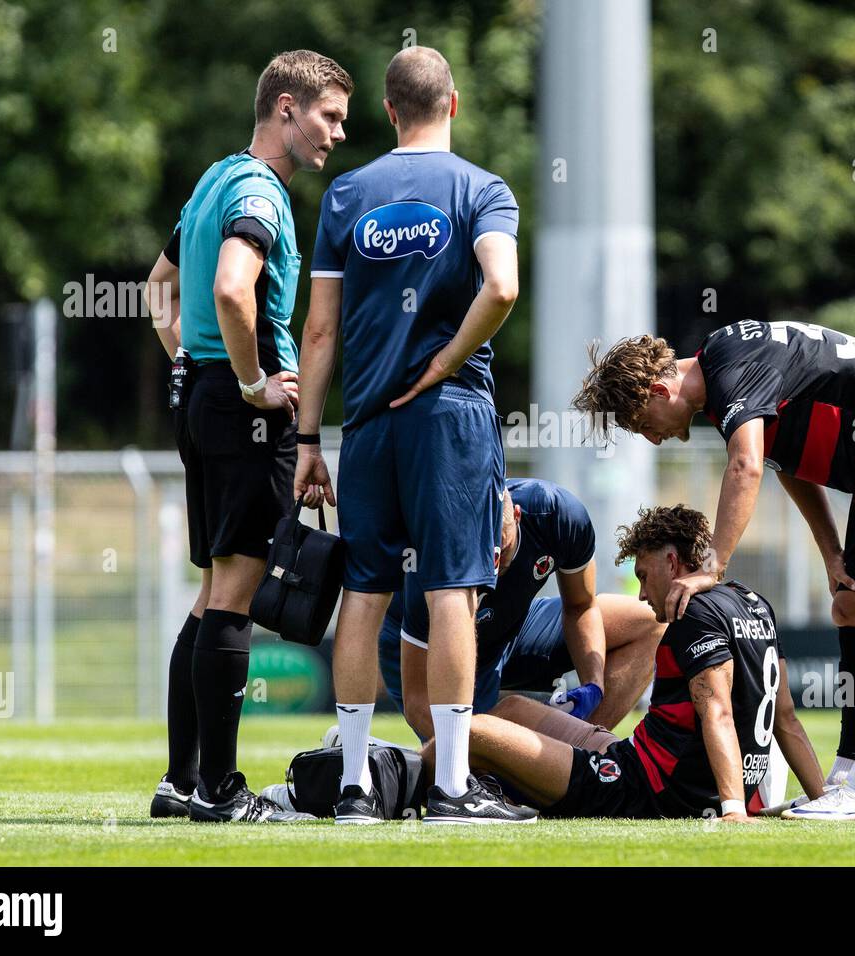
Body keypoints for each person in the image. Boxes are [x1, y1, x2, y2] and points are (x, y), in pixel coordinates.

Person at [574, 320, 855, 821]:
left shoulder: (729, 366)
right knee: (849, 605)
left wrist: (711, 567)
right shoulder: (731, 379)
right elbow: (788, 462)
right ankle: (844, 780)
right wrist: (831, 550)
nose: (652, 440)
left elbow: (748, 467)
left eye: (643, 423)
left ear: (659, 389)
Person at [292, 46, 526, 824]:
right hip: (449, 418)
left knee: (364, 594)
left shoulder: (347, 193)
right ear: (453, 103)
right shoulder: (482, 190)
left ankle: (354, 784)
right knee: (452, 591)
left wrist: (307, 440)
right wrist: (446, 361)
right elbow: (502, 286)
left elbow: (318, 333)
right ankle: (455, 787)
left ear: (390, 111)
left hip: (365, 426)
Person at [143, 50, 351, 822]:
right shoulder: (260, 190)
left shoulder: (212, 179)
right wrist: (253, 381)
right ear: (287, 107)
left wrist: (198, 372)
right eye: (329, 117)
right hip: (244, 410)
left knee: (210, 595)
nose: (335, 136)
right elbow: (234, 286)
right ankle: (221, 793)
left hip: (202, 401)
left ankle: (180, 781)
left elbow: (156, 289)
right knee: (233, 594)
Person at [417, 505, 826, 822]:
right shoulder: (754, 603)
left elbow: (716, 712)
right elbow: (786, 719)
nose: (644, 594)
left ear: (672, 562)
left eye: (645, 576)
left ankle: (396, 780)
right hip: (644, 759)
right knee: (512, 711)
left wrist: (734, 808)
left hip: (644, 787)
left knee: (467, 733)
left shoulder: (693, 612)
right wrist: (824, 802)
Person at [380, 479, 664, 737]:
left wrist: (593, 686)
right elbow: (418, 702)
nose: (493, 564)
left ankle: (576, 755)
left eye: (500, 549)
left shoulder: (556, 515)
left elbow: (581, 606)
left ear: (516, 516)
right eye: (483, 553)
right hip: (434, 650)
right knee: (466, 766)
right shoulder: (434, 553)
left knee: (649, 622)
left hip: (512, 627)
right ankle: (373, 757)